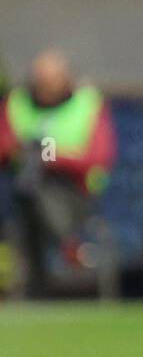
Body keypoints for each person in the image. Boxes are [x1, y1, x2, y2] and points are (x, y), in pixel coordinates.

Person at [0, 51, 116, 298]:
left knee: (34, 194)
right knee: (28, 192)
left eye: (52, 81)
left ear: (66, 79)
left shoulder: (88, 103)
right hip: (24, 192)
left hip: (76, 194)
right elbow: (4, 146)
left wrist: (50, 157)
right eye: (41, 81)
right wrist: (25, 152)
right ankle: (54, 261)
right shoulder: (17, 102)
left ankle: (64, 251)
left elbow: (100, 157)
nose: (46, 88)